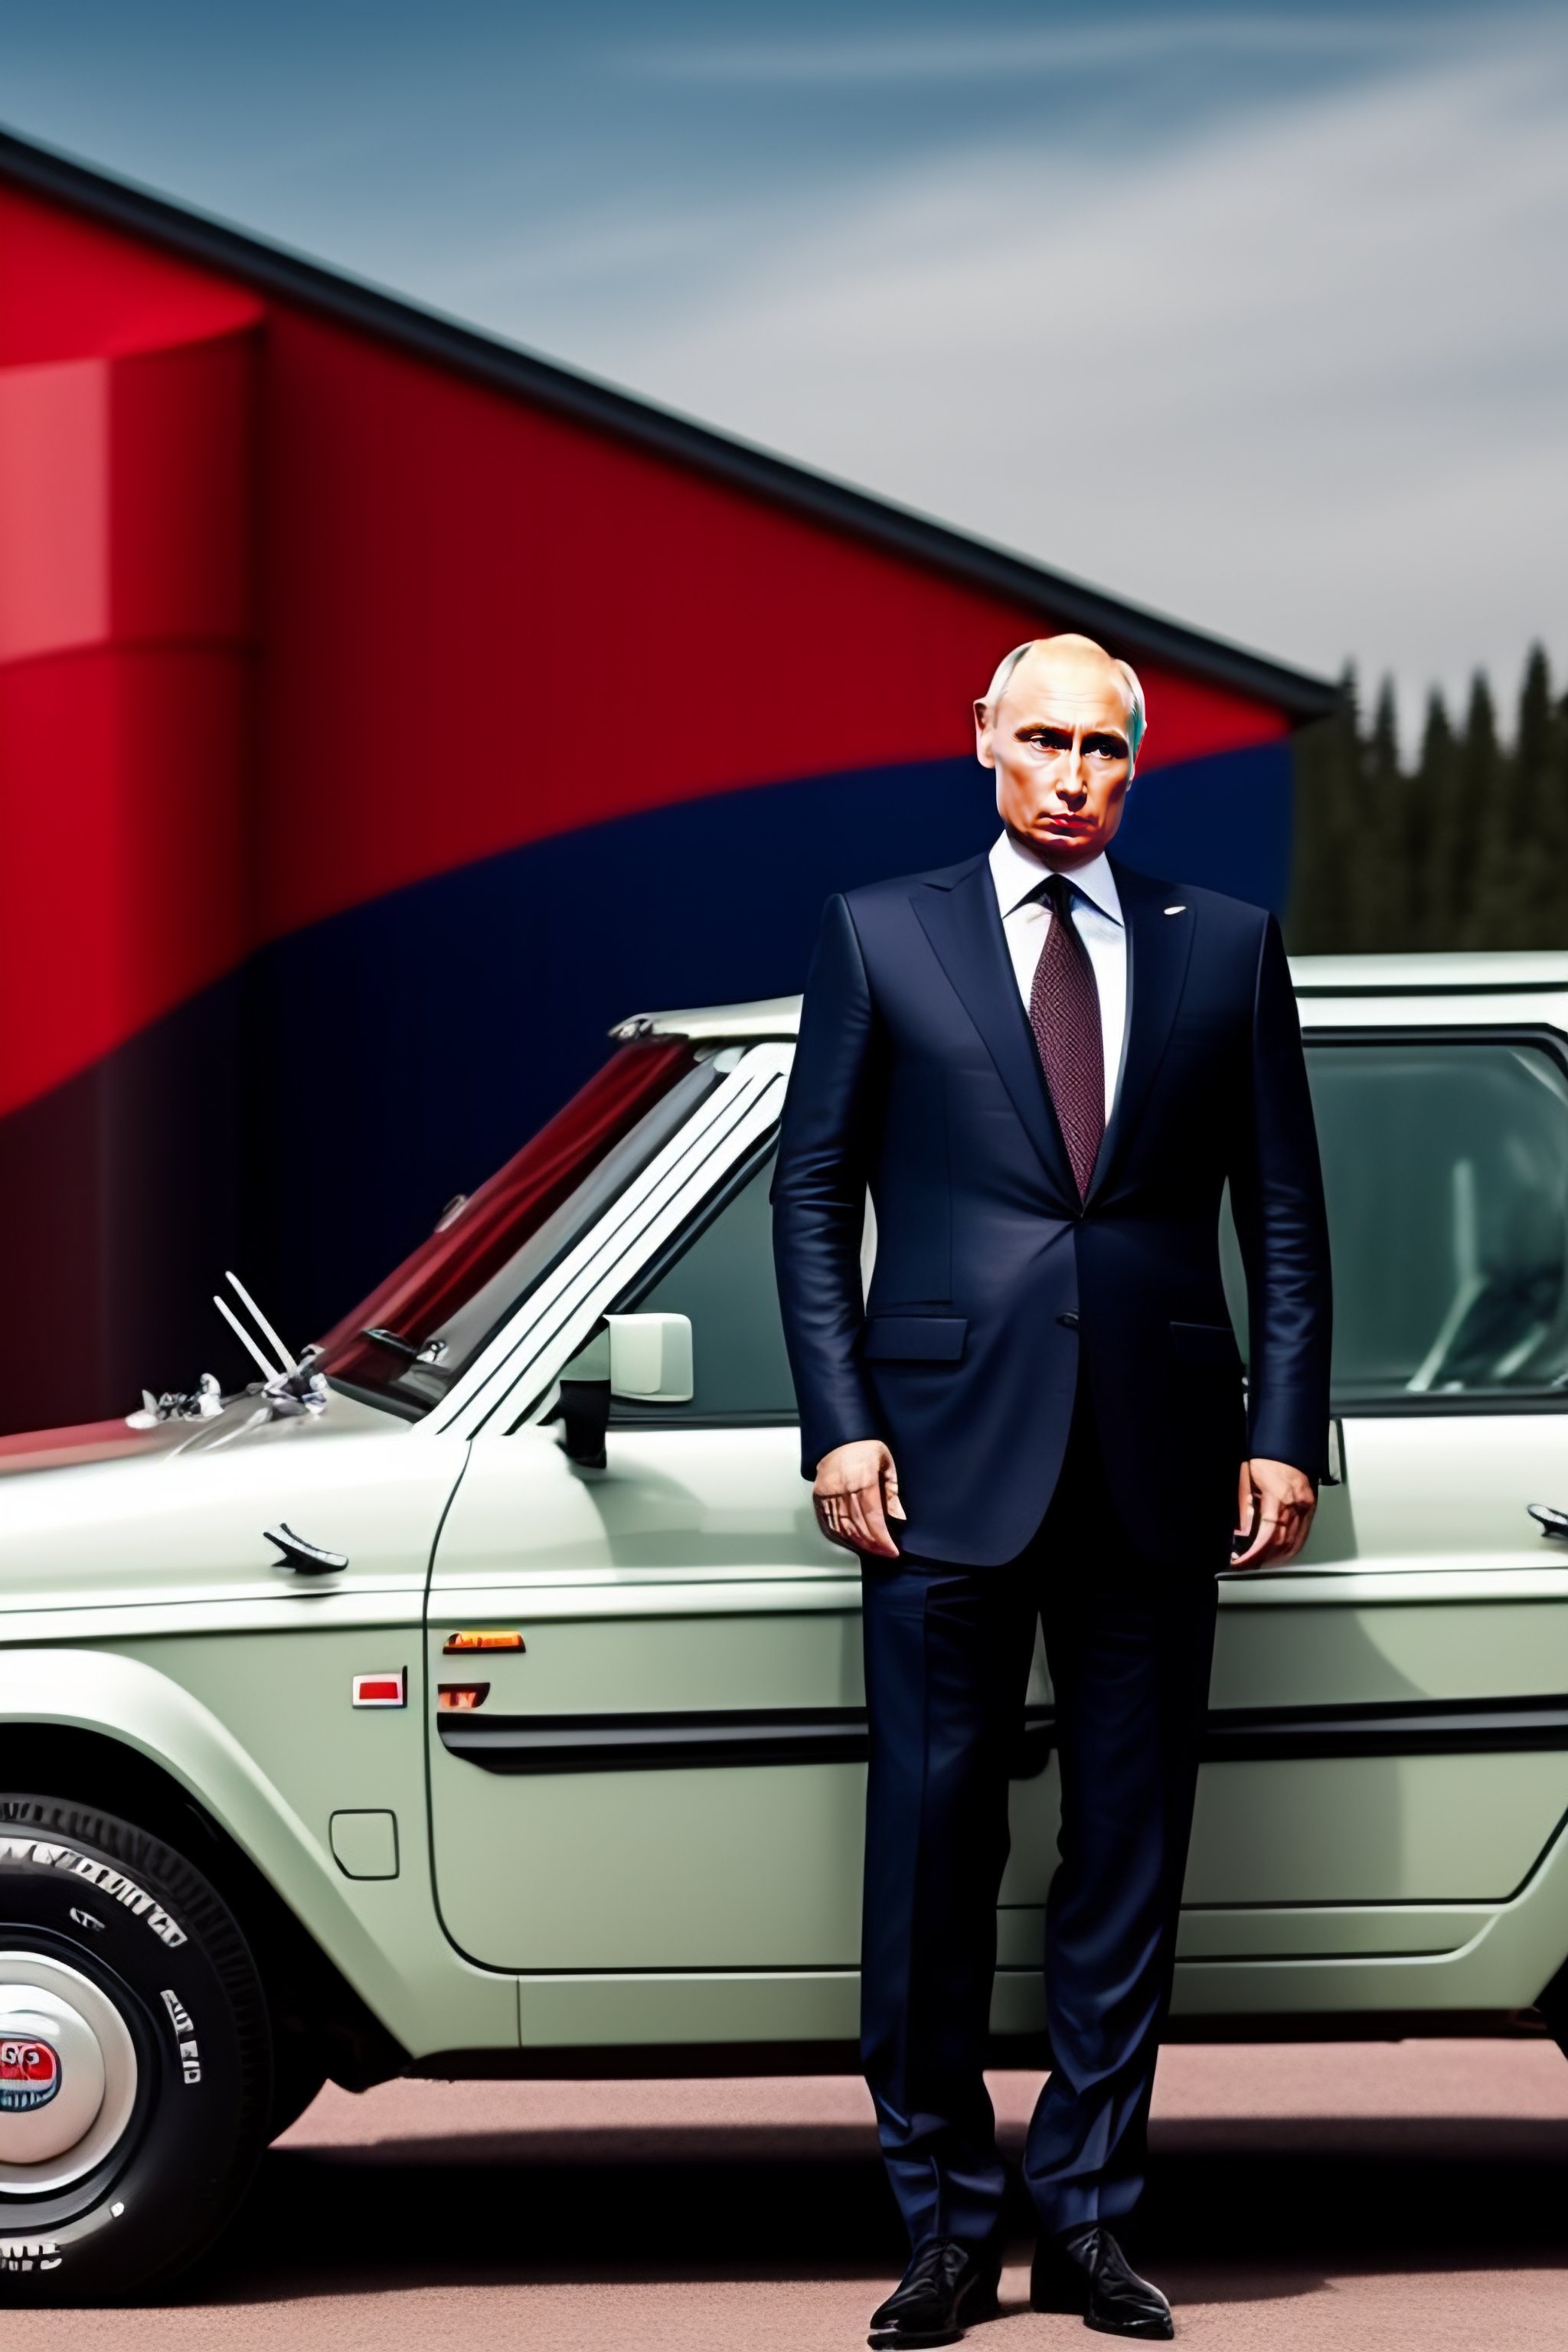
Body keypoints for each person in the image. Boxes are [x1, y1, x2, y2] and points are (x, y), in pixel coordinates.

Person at [771, 634, 1331, 2344]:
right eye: (1045, 742)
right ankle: (942, 2228)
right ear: (983, 747)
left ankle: (1088, 2221)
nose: (1074, 774)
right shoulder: (882, 934)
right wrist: (837, 1419)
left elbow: (1287, 1219)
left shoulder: (1222, 949)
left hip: (1161, 1470)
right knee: (935, 1853)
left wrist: (1286, 1431)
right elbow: (810, 1198)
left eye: (1105, 747)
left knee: (1125, 1861)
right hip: (930, 1472)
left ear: (1135, 763)